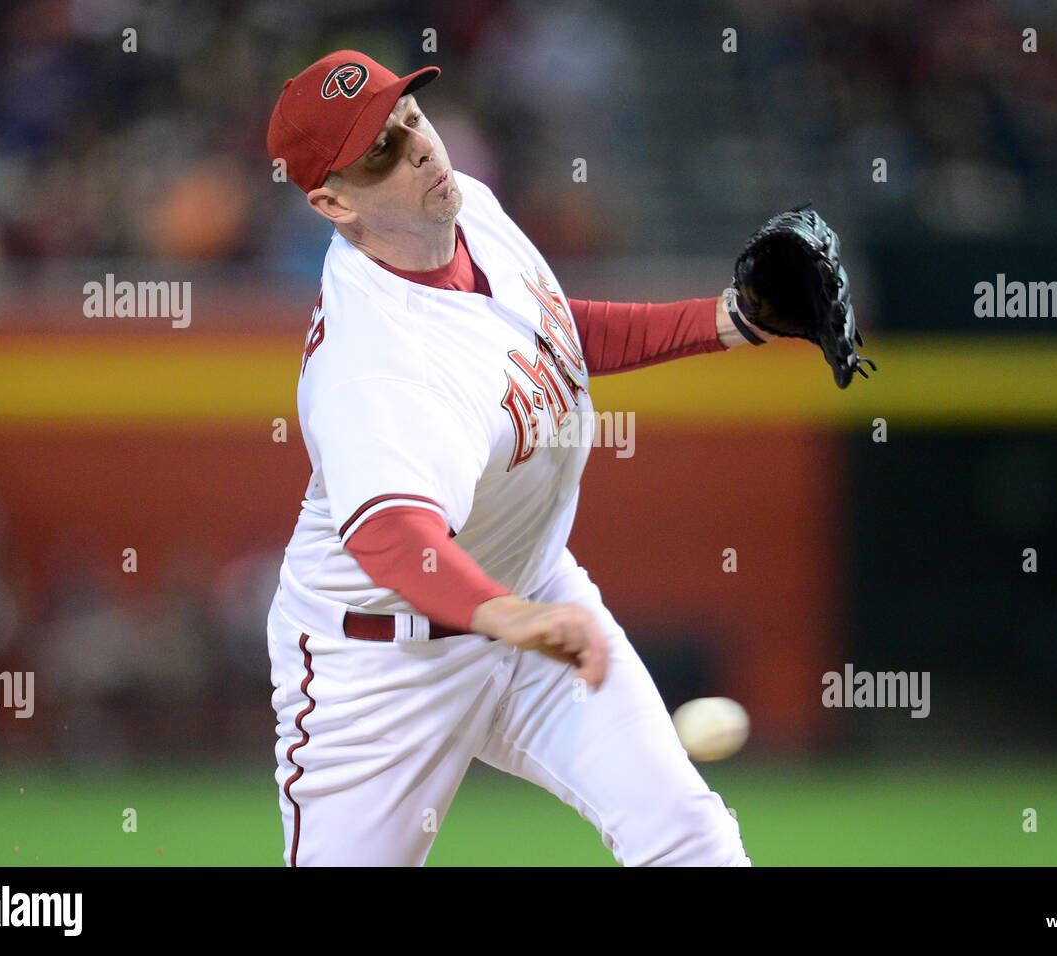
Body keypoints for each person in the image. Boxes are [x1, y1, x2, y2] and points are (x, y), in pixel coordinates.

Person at [264, 50, 773, 866]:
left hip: (531, 593)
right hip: (382, 666)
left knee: (689, 836)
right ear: (331, 202)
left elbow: (546, 336)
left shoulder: (468, 211)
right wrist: (511, 618)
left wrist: (728, 319)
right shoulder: (374, 363)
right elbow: (393, 536)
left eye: (410, 118)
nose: (422, 147)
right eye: (382, 152)